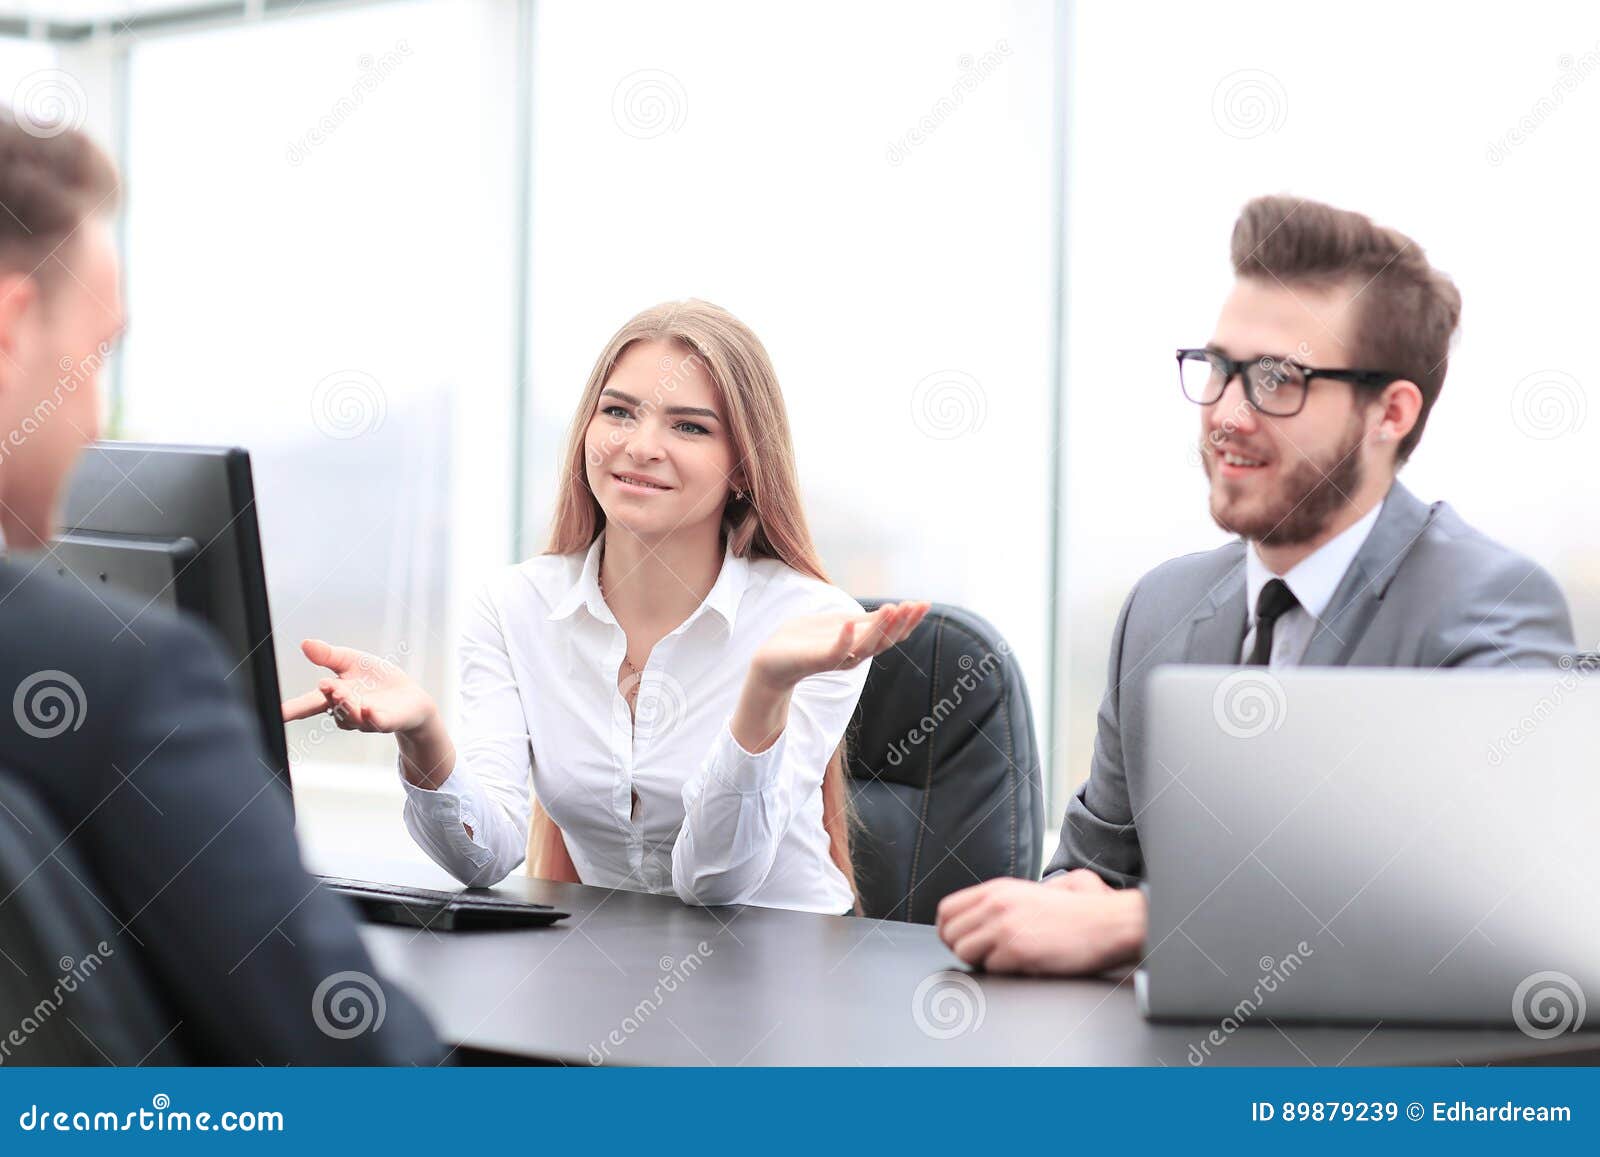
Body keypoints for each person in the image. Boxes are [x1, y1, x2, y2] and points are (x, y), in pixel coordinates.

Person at [937, 194, 1575, 975]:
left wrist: (1140, 922)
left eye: (1278, 379)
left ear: (1391, 413)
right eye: (1218, 369)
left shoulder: (1491, 607)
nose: (1225, 415)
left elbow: (1483, 904)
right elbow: (1093, 864)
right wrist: (1069, 894)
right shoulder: (1159, 610)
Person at [0, 109, 441, 1062]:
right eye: (94, 357)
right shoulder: (121, 679)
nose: (90, 416)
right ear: (13, 325)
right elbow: (359, 1063)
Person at [284, 300, 928, 914]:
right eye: (619, 412)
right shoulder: (514, 608)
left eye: (689, 426)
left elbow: (717, 884)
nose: (640, 445)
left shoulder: (814, 623)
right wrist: (423, 738)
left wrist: (765, 690)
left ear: (742, 467)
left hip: (783, 974)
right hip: (604, 972)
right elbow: (488, 856)